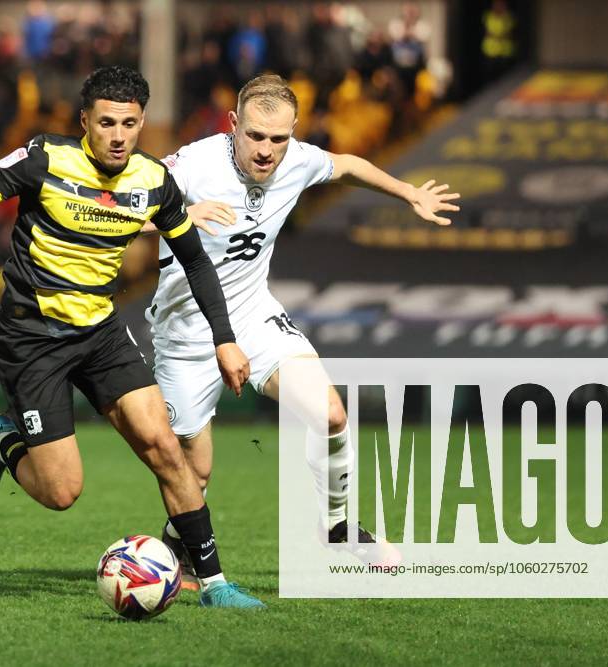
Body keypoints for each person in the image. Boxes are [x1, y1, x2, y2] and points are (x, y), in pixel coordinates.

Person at [0, 66, 265, 609]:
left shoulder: (154, 181)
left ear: (141, 125)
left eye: (129, 124)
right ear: (85, 120)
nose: (117, 135)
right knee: (62, 493)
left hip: (102, 333)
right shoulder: (43, 159)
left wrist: (224, 339)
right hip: (32, 338)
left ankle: (215, 585)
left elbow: (196, 262)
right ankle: (6, 440)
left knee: (164, 444)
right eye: (106, 122)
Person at [146, 74, 460, 589]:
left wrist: (406, 192)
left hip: (253, 318)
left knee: (332, 414)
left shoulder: (297, 159)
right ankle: (175, 554)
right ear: (233, 127)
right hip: (186, 335)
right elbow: (113, 212)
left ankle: (335, 527)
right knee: (194, 473)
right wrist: (174, 217)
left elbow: (347, 165)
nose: (267, 151)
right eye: (255, 137)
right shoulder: (191, 165)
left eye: (279, 139)